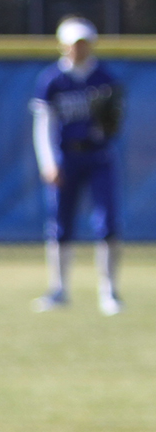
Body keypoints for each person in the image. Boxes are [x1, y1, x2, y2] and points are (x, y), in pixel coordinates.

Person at [32, 16, 124, 316]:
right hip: (65, 158)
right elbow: (43, 124)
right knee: (60, 224)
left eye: (84, 43)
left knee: (106, 223)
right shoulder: (52, 80)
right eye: (74, 44)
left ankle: (109, 291)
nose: (79, 49)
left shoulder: (104, 78)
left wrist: (106, 128)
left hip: (98, 157)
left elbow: (112, 124)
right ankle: (58, 289)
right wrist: (48, 162)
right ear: (64, 45)